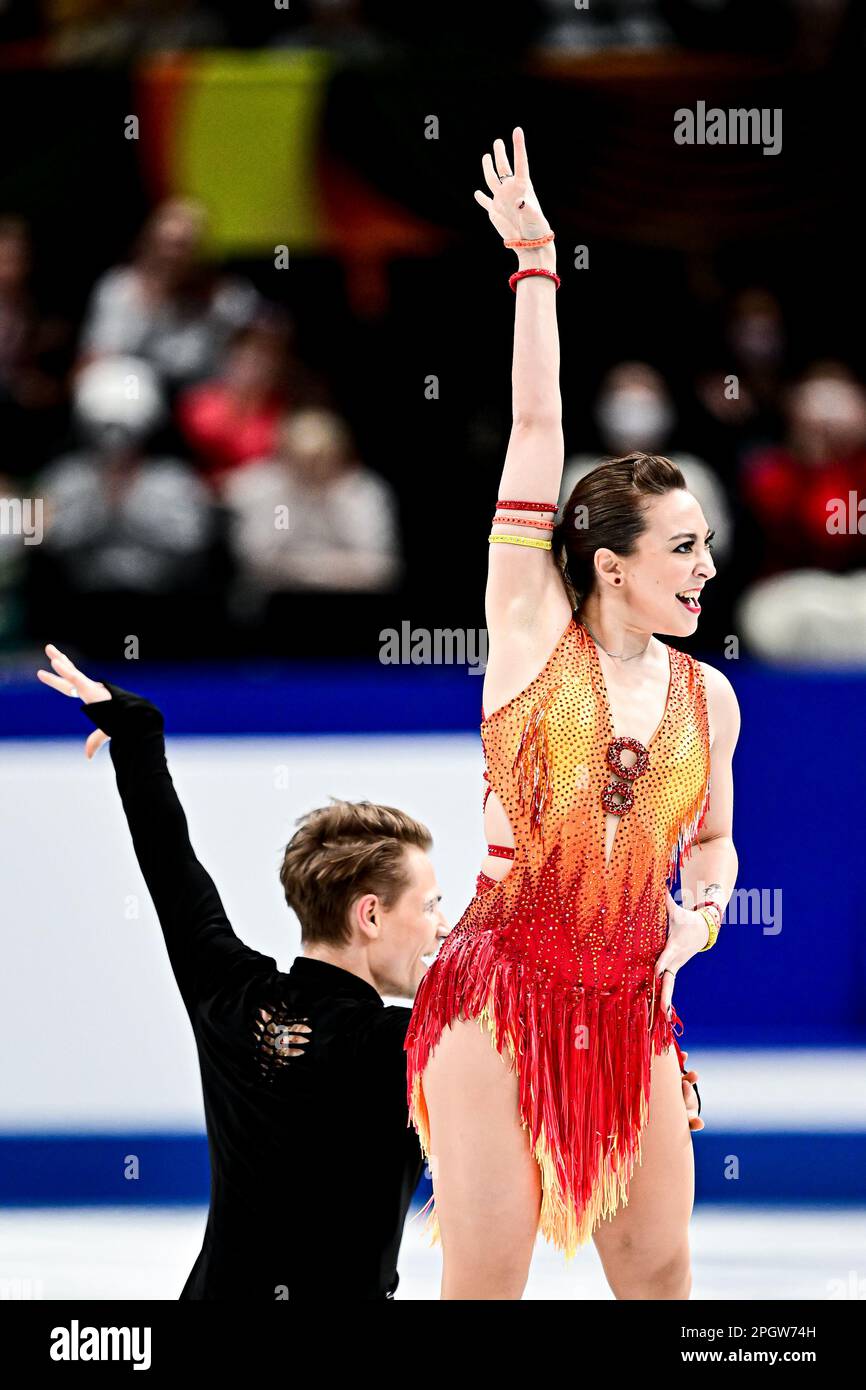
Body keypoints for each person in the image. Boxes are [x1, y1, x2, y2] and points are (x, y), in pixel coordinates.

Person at [404, 128, 738, 1301]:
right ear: (608, 565)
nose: (706, 566)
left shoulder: (712, 697)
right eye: (683, 548)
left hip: (632, 1002)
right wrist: (537, 266)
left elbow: (710, 842)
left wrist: (699, 917)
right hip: (499, 996)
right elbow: (535, 430)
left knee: (660, 1285)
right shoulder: (528, 631)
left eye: (706, 545)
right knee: (485, 1286)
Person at [36, 644, 449, 1300]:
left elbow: (170, 864)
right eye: (430, 906)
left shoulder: (228, 992)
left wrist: (138, 736)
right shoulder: (411, 1046)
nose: (441, 927)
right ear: (370, 915)